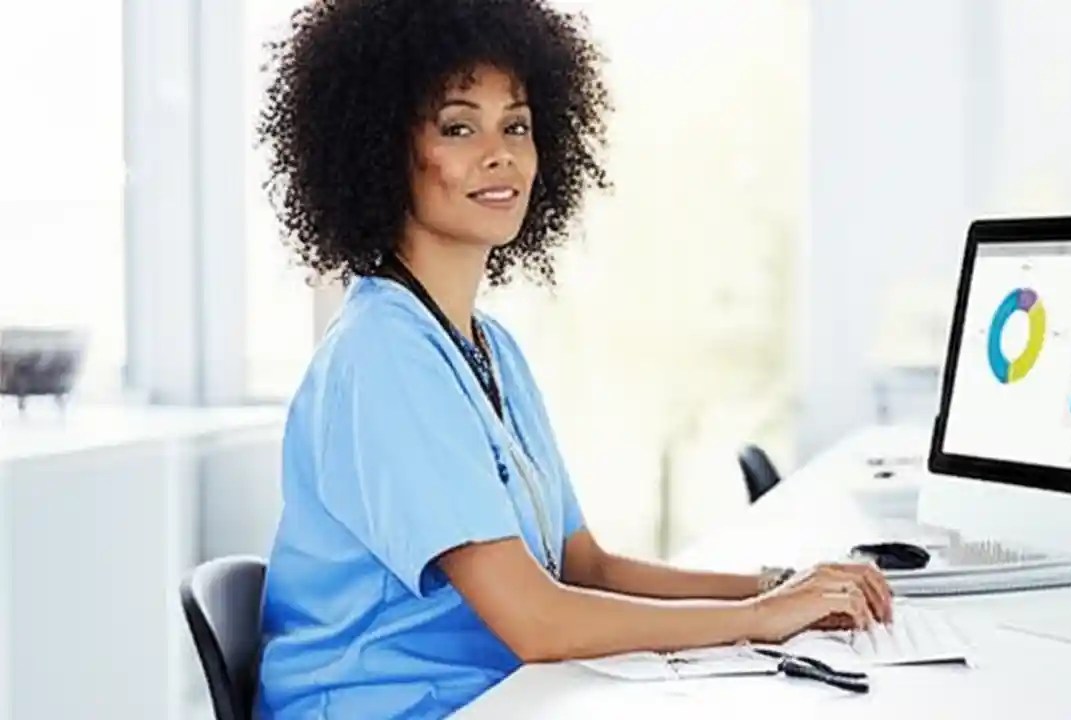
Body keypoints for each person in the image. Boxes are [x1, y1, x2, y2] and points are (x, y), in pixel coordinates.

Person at [255, 1, 892, 717]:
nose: (500, 154)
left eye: (517, 126)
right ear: (378, 150)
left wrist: (778, 589)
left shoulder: (488, 348)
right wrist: (758, 621)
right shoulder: (383, 356)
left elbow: (585, 567)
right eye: (458, 127)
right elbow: (538, 621)